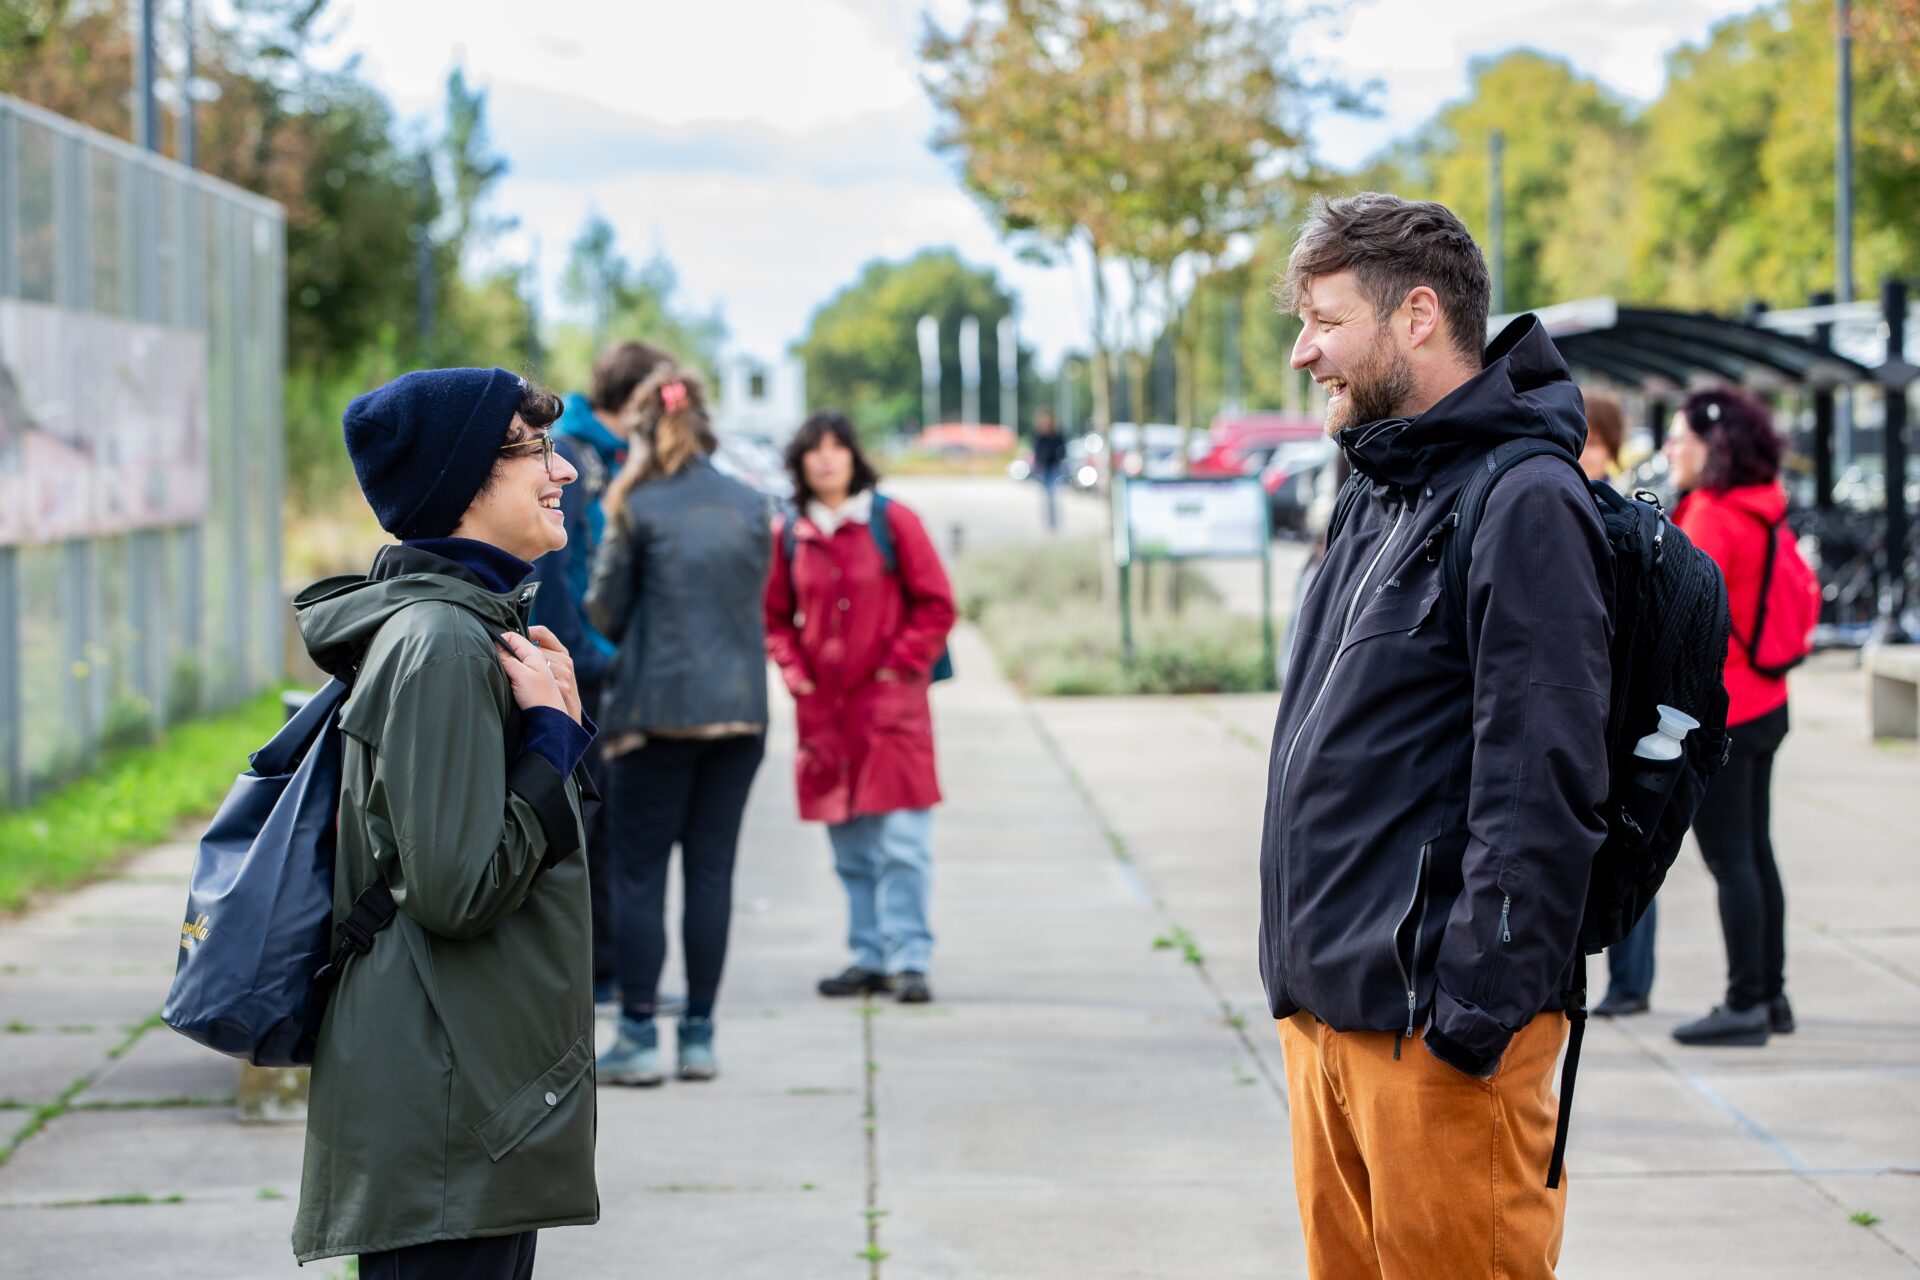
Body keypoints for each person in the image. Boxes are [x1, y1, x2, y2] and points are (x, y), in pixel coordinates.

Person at [1259, 194, 1612, 1279]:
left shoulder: (1525, 499)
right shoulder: (1378, 483)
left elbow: (1541, 781)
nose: (1302, 350)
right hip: (1331, 1019)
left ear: (1416, 315)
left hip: (1437, 1036)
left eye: (1323, 319)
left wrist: (1476, 1013)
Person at [291, 368, 598, 1277]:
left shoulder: (476, 627)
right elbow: (459, 887)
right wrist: (548, 744)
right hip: (445, 1117)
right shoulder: (441, 644)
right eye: (535, 448)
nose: (565, 470)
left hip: (471, 1099)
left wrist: (563, 738)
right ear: (464, 479)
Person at [585, 367, 771, 1085]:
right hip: (739, 712)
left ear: (640, 428)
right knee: (712, 872)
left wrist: (622, 497)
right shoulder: (751, 504)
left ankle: (637, 1037)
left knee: (638, 876)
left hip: (653, 715)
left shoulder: (637, 504)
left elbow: (605, 610)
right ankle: (699, 1037)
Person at [764, 413, 956, 1005]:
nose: (825, 460)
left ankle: (911, 958)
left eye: (836, 449)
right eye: (813, 452)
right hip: (826, 715)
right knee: (850, 851)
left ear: (853, 457)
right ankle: (869, 956)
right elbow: (774, 617)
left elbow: (937, 605)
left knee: (903, 845)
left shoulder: (892, 520)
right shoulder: (791, 533)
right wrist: (797, 678)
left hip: (890, 711)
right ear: (799, 465)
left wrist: (899, 665)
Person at [1662, 387, 1805, 1046]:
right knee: (1756, 851)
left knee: (1730, 860)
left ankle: (1745, 1001)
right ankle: (1770, 996)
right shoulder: (1763, 508)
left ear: (1711, 446)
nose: (1669, 448)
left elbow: (1679, 619)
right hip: (1768, 702)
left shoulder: (1713, 517)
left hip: (1727, 710)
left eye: (1679, 438)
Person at [530, 339, 669, 1010]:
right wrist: (597, 660)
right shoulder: (576, 461)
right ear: (640, 400)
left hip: (591, 660)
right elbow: (558, 574)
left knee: (606, 825)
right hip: (580, 666)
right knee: (592, 824)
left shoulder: (598, 453)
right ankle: (594, 977)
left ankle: (607, 973)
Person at [1580, 388, 1659, 1019]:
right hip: (1602, 704)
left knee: (1625, 847)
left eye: (1593, 444)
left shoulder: (1624, 519)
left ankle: (1631, 983)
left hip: (1617, 708)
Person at [1032, 408, 1068, 531]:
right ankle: (1049, 523)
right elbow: (1037, 452)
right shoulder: (1040, 436)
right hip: (1044, 469)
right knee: (1046, 497)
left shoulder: (1057, 435)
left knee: (1054, 495)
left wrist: (1058, 458)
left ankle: (1054, 522)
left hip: (1055, 468)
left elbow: (1062, 451)